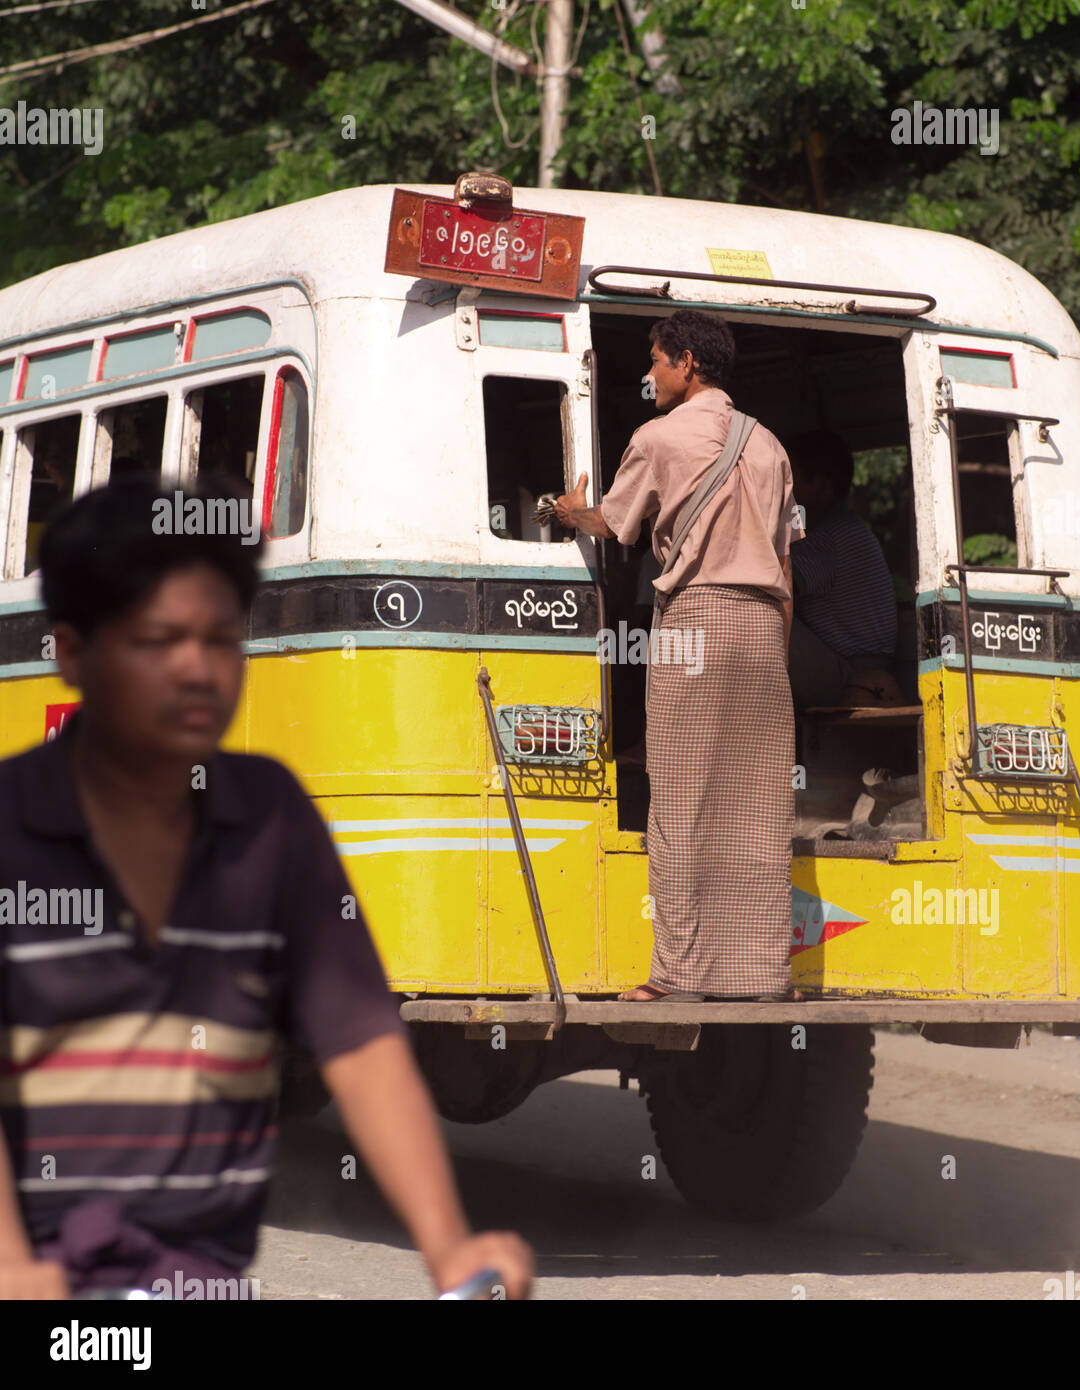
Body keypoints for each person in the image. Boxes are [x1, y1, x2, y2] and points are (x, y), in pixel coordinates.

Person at [0, 476, 533, 1300]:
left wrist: (448, 1245)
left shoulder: (270, 818)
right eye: (157, 640)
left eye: (220, 639)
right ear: (71, 654)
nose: (197, 670)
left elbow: (359, 1045)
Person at [553, 309, 805, 1003]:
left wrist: (570, 509)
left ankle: (679, 975)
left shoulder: (658, 437)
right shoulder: (771, 446)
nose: (648, 374)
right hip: (761, 629)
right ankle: (761, 976)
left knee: (683, 800)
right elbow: (787, 564)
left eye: (656, 361)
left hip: (696, 620)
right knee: (757, 807)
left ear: (686, 362)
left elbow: (617, 524)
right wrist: (775, 656)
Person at [786, 430, 898, 710]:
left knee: (755, 611)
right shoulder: (844, 527)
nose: (781, 488)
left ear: (821, 486)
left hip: (851, 672)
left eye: (789, 478)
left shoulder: (829, 537)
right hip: (846, 663)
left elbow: (775, 584)